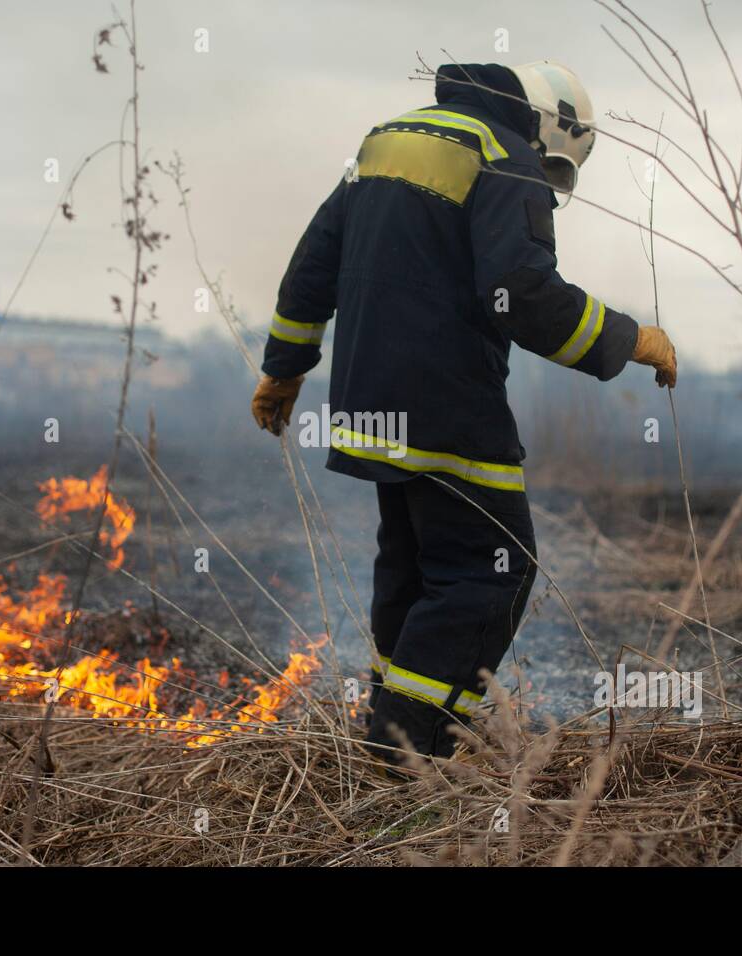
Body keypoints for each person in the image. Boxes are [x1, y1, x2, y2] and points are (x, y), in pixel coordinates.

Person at [250, 62, 678, 765]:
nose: (549, 178)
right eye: (556, 164)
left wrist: (285, 368)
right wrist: (631, 339)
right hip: (447, 407)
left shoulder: (387, 138)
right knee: (491, 571)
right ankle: (405, 753)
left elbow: (311, 266)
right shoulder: (506, 159)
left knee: (416, 567)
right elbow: (524, 294)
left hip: (370, 408)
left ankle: (389, 732)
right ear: (548, 124)